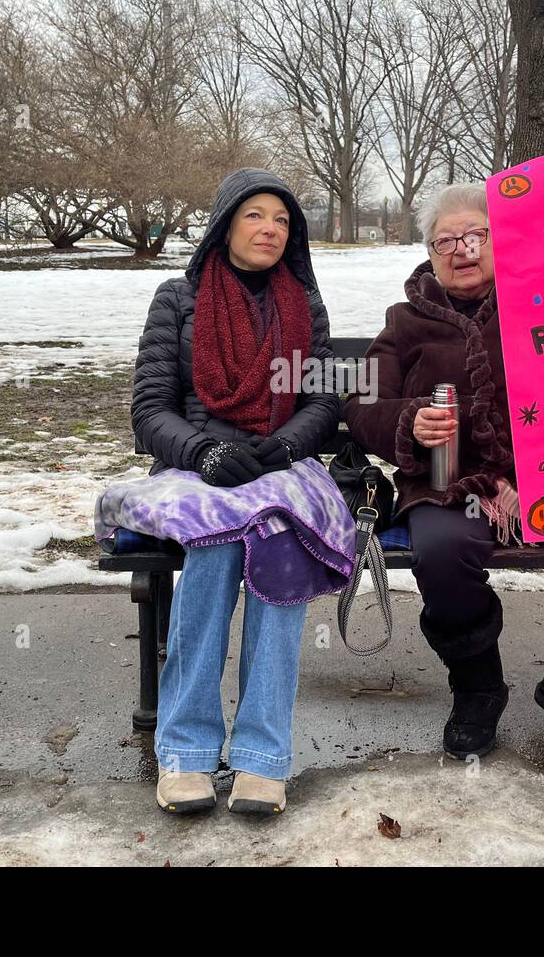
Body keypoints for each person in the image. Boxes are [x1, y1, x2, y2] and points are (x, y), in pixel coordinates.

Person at [343, 122, 544, 763]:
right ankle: (477, 687)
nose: (461, 250)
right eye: (445, 241)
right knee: (441, 553)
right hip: (452, 484)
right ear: (430, 253)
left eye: (476, 236)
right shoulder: (406, 322)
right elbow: (361, 408)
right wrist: (408, 419)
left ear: (503, 240)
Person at [131, 168, 340, 816]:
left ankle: (261, 757)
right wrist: (203, 450)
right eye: (255, 215)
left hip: (281, 465)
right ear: (225, 223)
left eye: (281, 220)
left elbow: (324, 400)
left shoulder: (304, 305)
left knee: (282, 544)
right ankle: (187, 751)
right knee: (217, 547)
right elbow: (149, 409)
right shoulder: (177, 298)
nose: (269, 229)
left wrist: (280, 448)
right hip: (199, 467)